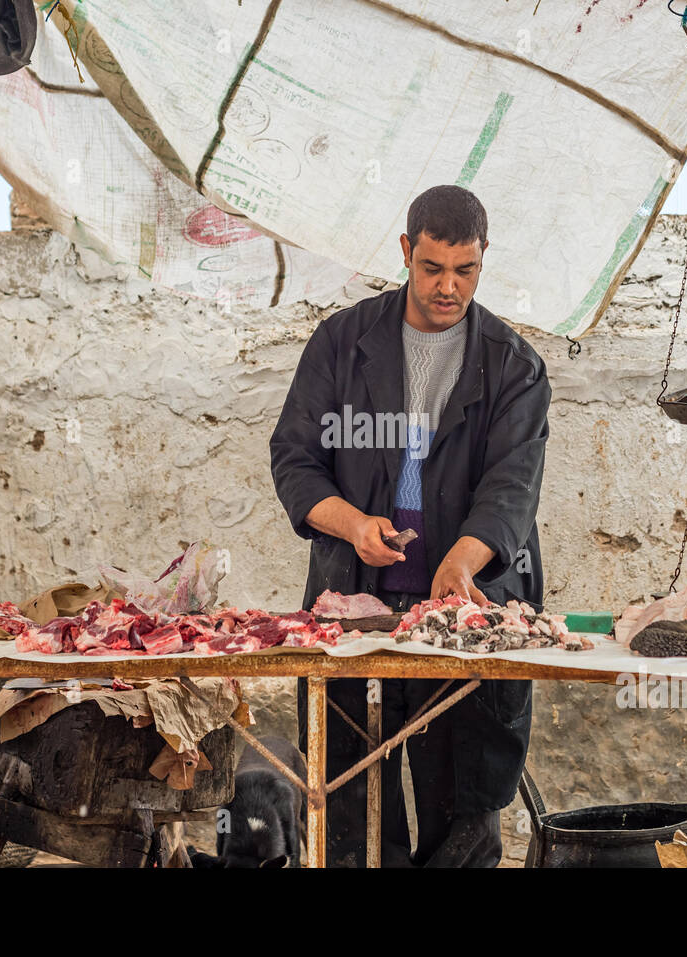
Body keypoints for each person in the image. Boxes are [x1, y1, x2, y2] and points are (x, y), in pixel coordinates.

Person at [270, 185, 551, 867]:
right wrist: (351, 523)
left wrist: (461, 559)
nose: (448, 286)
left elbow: (512, 484)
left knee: (463, 814)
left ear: (483, 260)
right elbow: (294, 456)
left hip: (464, 616)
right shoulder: (342, 343)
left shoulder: (514, 365)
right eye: (432, 268)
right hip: (355, 612)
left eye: (465, 270)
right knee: (349, 810)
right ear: (405, 252)